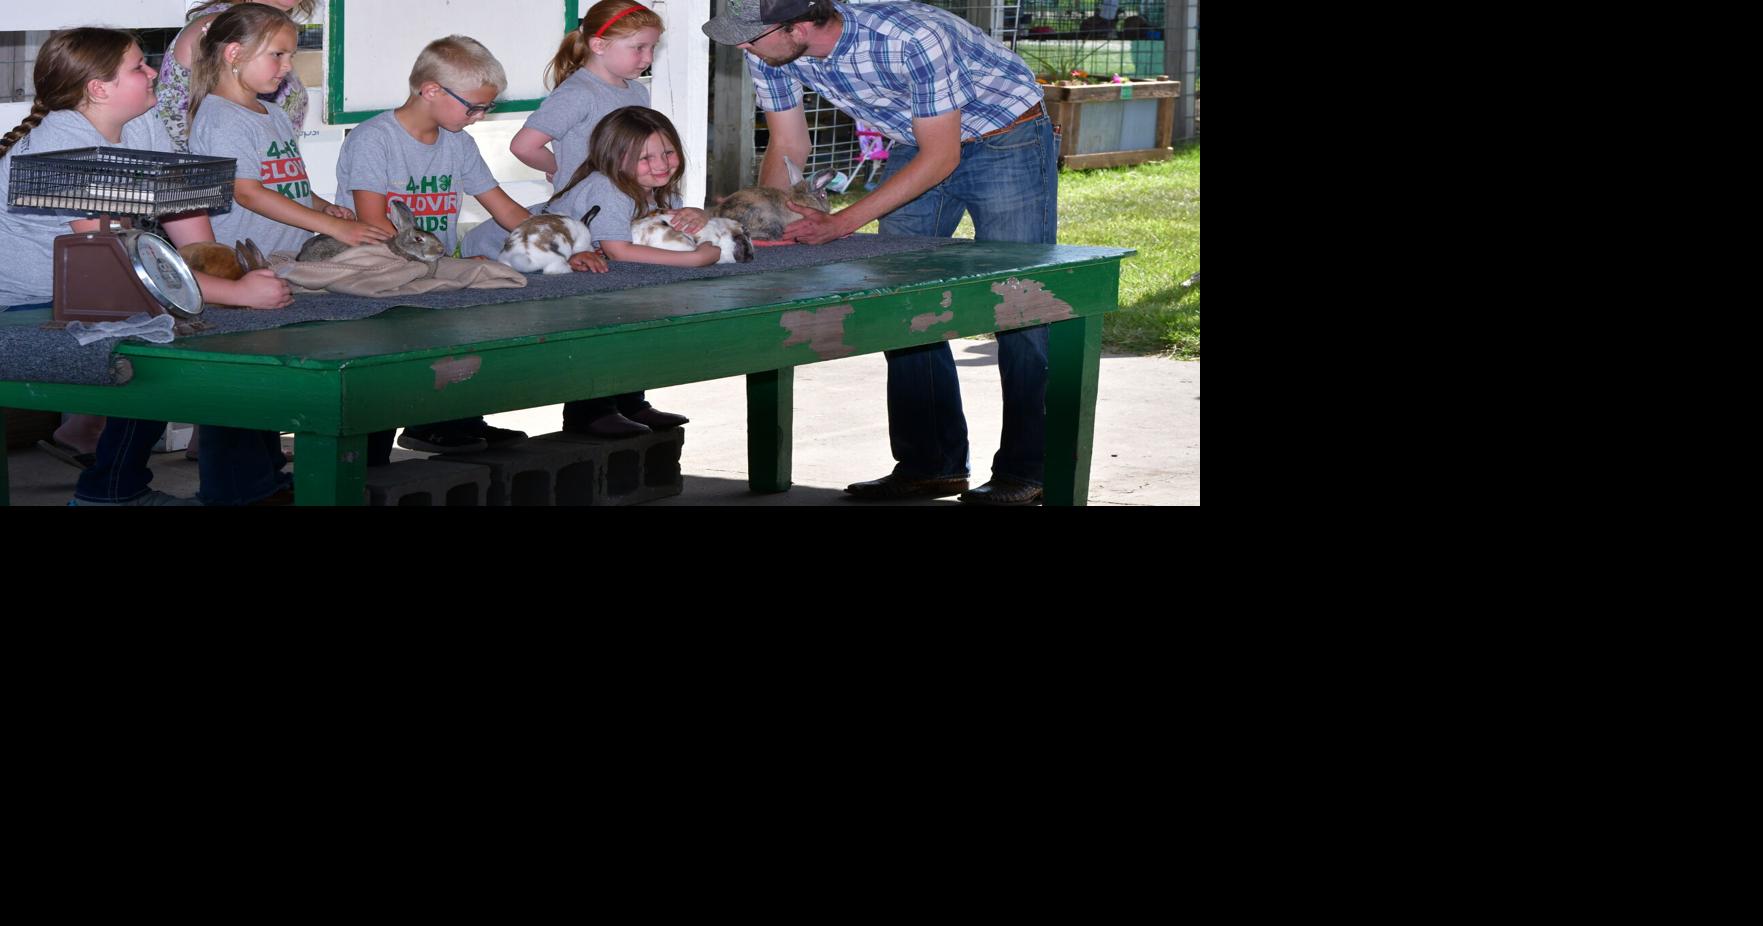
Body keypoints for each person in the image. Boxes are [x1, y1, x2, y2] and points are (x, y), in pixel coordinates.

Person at [703, 0, 1059, 505]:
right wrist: (774, 218)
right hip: (919, 140)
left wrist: (843, 221)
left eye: (749, 37)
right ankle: (931, 465)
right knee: (901, 298)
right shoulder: (770, 50)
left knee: (1021, 303)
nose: (741, 46)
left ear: (800, 25)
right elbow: (788, 144)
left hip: (1007, 137)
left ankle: (1029, 468)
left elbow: (944, 155)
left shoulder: (913, 37)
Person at [0, 27, 295, 505]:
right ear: (99, 89)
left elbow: (181, 207)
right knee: (160, 347)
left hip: (88, 290)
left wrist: (223, 279)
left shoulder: (139, 118)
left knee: (226, 331)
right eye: (139, 67)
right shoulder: (63, 146)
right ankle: (110, 493)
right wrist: (236, 293)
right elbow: (116, 266)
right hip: (26, 308)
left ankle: (247, 485)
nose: (154, 72)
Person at [332, 34, 538, 459]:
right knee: (384, 365)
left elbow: (503, 208)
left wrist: (559, 240)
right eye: (474, 106)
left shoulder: (459, 143)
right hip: (376, 275)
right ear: (430, 91)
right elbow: (372, 225)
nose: (480, 117)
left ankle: (449, 422)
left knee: (464, 326)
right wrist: (449, 266)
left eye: (487, 107)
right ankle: (368, 456)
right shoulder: (375, 139)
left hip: (430, 272)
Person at [543, 105, 703, 437]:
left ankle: (630, 402)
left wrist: (697, 217)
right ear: (616, 160)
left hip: (578, 264)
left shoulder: (656, 186)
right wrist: (694, 259)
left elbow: (657, 233)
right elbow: (619, 250)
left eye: (668, 152)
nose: (661, 165)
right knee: (597, 321)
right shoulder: (608, 186)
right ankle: (590, 411)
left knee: (634, 313)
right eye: (646, 158)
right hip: (513, 256)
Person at [157, 0, 316, 153]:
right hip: (217, 173)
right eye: (277, 54)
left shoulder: (270, 28)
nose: (287, 66)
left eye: (290, 56)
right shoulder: (227, 27)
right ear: (233, 53)